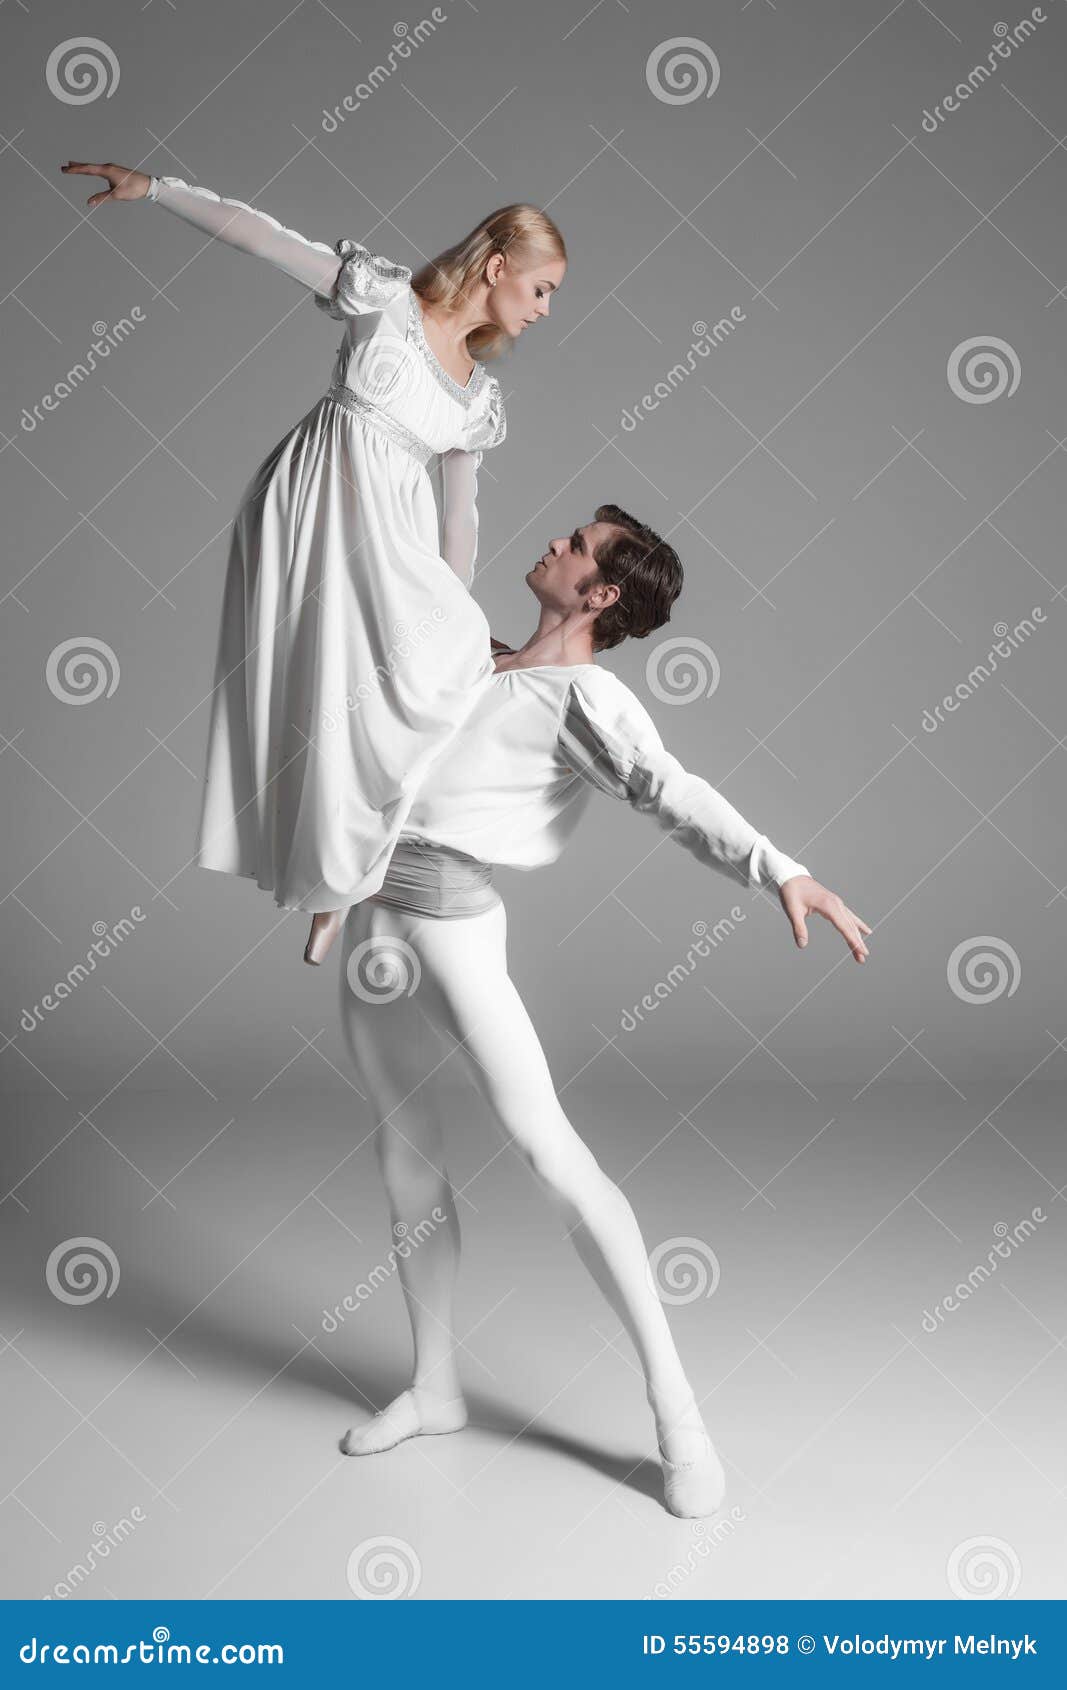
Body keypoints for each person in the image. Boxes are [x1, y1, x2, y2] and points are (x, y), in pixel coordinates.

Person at [337, 504, 871, 1517]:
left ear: (600, 594)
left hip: (453, 932)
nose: (554, 542)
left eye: (576, 545)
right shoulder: (477, 661)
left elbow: (671, 791)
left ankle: (677, 1418)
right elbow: (421, 566)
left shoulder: (581, 696)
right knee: (403, 1150)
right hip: (374, 934)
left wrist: (779, 872)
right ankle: (434, 1385)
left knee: (551, 1155)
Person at [60, 160, 566, 963]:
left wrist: (457, 617)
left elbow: (459, 514)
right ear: (498, 266)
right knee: (322, 684)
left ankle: (347, 872)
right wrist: (156, 190)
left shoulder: (476, 396)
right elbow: (265, 239)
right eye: (542, 289)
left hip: (391, 535)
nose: (544, 310)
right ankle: (328, 876)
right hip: (309, 508)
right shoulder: (387, 303)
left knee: (400, 684)